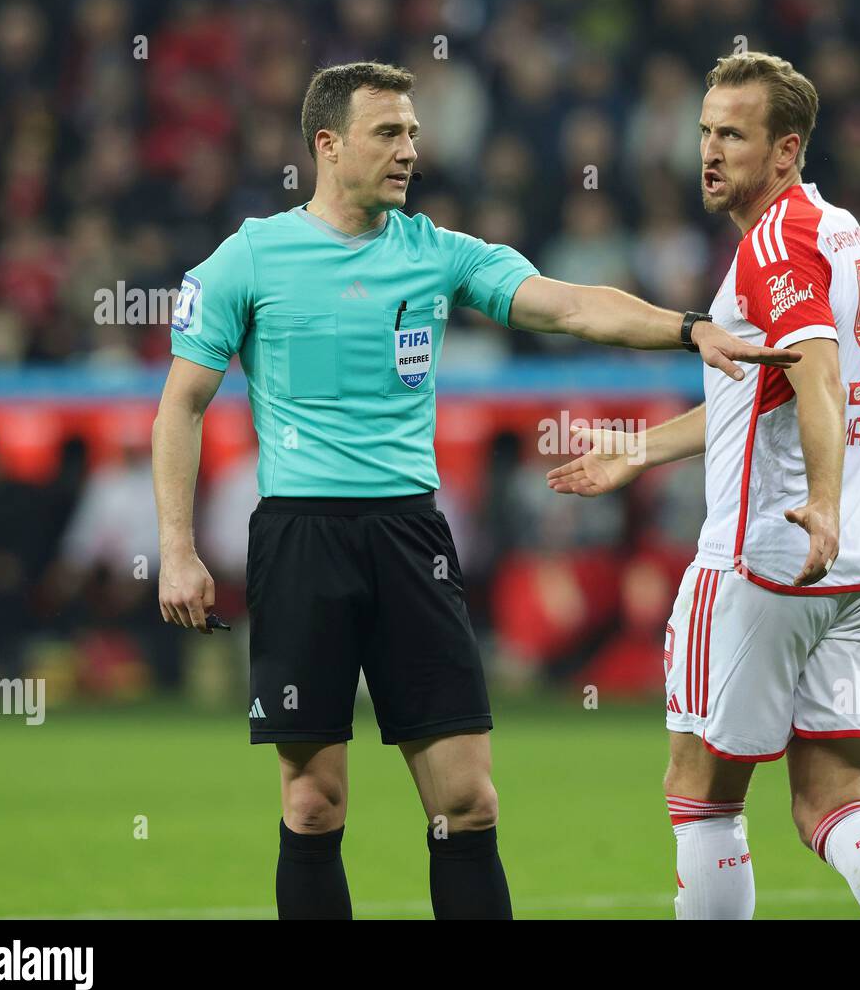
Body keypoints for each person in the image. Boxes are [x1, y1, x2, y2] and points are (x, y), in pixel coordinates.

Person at [150, 60, 797, 921]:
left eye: (415, 132)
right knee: (313, 803)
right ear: (327, 143)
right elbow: (180, 405)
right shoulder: (252, 257)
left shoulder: (435, 252)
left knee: (468, 803)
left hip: (412, 537)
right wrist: (179, 548)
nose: (411, 149)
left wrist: (688, 331)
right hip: (302, 540)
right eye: (389, 132)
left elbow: (566, 305)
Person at [548, 52, 860, 920]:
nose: (709, 151)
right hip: (853, 566)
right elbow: (757, 394)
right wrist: (639, 451)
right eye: (704, 131)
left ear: (786, 148)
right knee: (835, 804)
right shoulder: (840, 231)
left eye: (733, 134)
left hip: (764, 556)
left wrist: (822, 503)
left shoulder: (775, 241)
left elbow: (817, 376)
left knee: (702, 796)